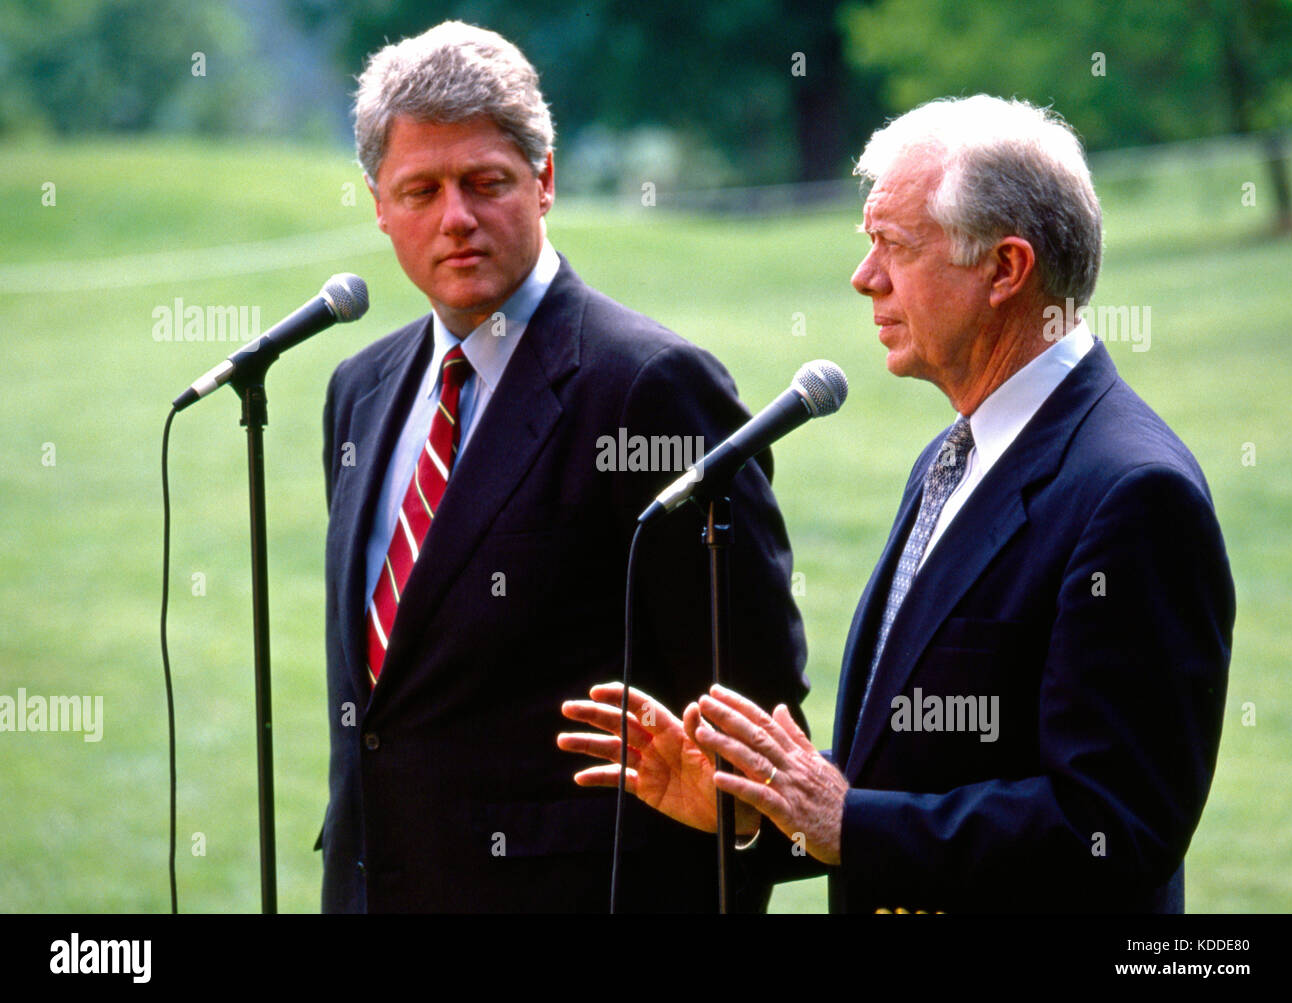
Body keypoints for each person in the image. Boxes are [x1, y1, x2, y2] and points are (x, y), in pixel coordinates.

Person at [560, 95, 1234, 913]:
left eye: (893, 245)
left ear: (1005, 269)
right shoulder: (956, 454)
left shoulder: (1134, 493)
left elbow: (1115, 827)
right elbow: (919, 766)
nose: (863, 276)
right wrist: (756, 809)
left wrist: (843, 820)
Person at [319, 21, 808, 913]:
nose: (455, 218)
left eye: (486, 182)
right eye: (420, 190)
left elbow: (756, 711)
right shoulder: (360, 388)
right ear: (379, 204)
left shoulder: (654, 389)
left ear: (544, 183)